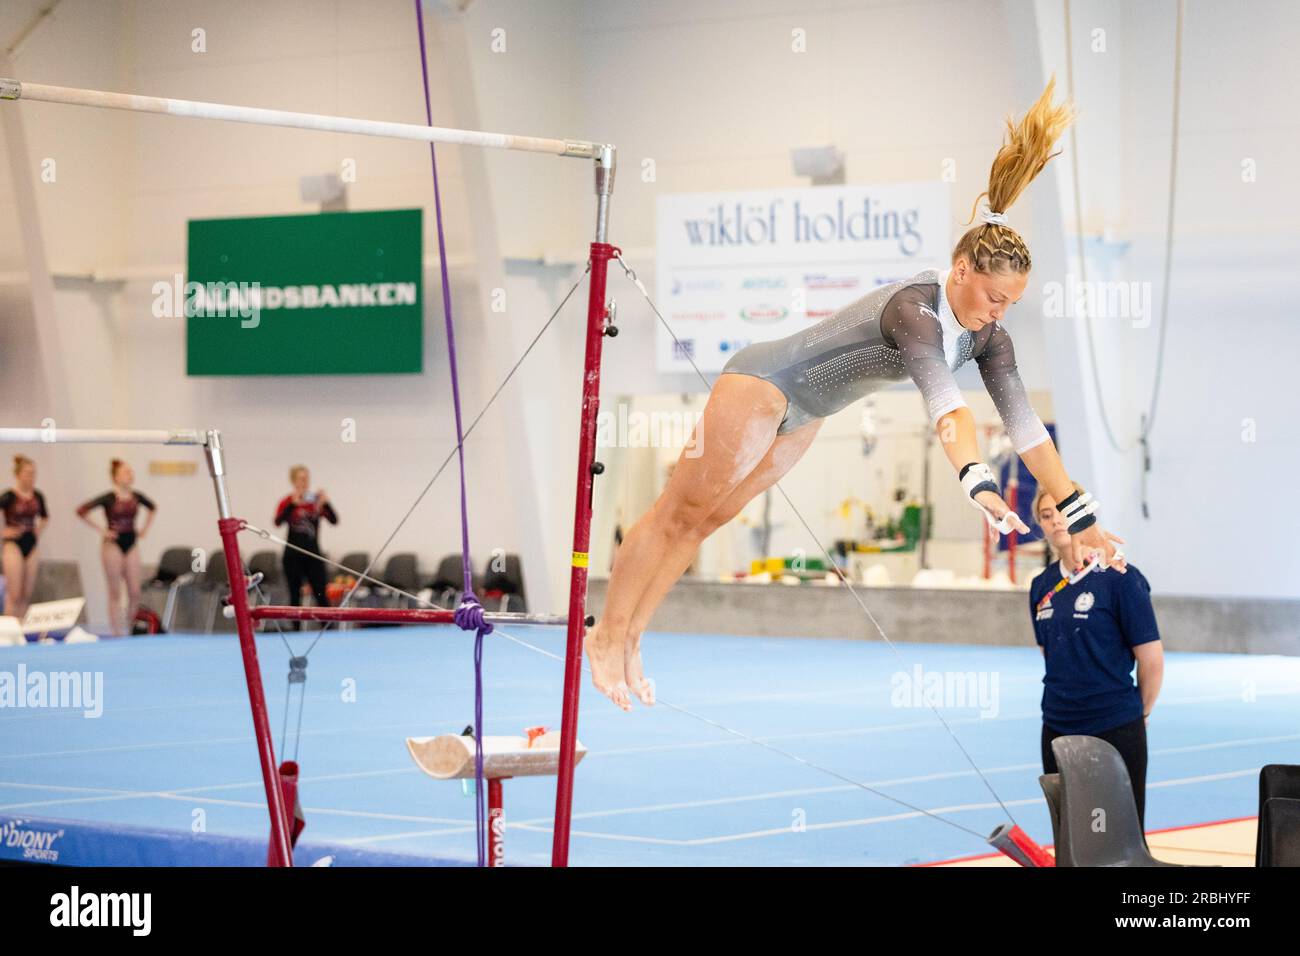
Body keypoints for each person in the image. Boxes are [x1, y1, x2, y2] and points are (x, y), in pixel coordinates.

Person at [586, 77, 1126, 712]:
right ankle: (605, 636)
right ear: (960, 272)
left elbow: (1029, 430)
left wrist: (1084, 518)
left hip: (808, 414)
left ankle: (633, 638)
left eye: (1012, 304)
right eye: (994, 297)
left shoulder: (991, 338)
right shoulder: (915, 311)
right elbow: (945, 406)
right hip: (762, 388)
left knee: (709, 520)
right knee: (678, 512)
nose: (999, 313)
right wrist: (977, 481)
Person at [1030, 485, 1163, 830]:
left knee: (1120, 836)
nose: (1056, 521)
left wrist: (1141, 713)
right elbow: (1051, 655)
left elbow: (1151, 659)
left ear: (1082, 514)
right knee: (1070, 836)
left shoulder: (1121, 579)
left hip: (1114, 727)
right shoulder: (1041, 586)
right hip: (1057, 727)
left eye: (1061, 510)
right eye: (1046, 516)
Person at [76, 459, 157, 636]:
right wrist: (102, 530)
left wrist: (144, 529)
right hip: (112, 544)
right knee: (115, 591)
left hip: (131, 543)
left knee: (135, 591)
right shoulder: (108, 498)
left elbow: (153, 507)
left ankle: (130, 628)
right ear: (115, 477)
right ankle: (116, 632)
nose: (130, 475)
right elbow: (81, 510)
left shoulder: (136, 497)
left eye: (131, 471)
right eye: (125, 472)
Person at [275, 465, 337, 623]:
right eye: (301, 478)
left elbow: (334, 520)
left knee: (320, 593)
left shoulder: (315, 501)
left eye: (306, 478)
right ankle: (295, 630)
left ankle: (327, 628)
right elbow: (278, 521)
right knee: (295, 595)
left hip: (313, 554)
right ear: (293, 481)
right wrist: (293, 504)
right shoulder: (288, 501)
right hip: (292, 555)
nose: (305, 481)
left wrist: (326, 503)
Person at [1, 455, 49, 620]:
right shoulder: (9, 496)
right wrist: (2, 532)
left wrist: (38, 530)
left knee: (26, 594)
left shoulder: (38, 496)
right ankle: (6, 635)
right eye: (28, 473)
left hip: (31, 544)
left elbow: (45, 516)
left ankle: (20, 634)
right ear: (18, 474)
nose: (31, 477)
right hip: (13, 544)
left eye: (34, 473)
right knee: (14, 593)